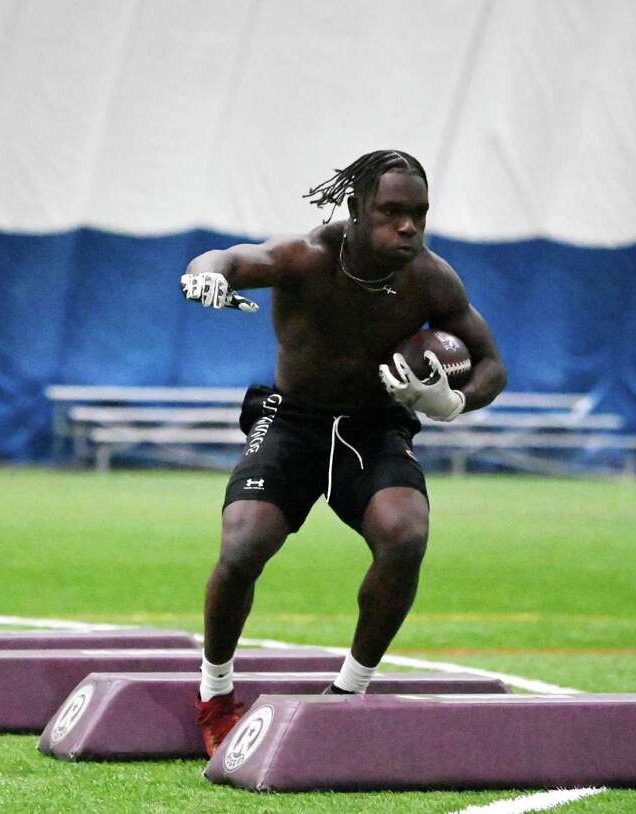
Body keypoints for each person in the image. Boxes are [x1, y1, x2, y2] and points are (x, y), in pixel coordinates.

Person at [180, 149, 506, 754]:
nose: (408, 226)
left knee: (405, 536)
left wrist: (452, 402)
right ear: (356, 208)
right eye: (392, 212)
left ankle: (349, 692)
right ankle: (215, 695)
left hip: (374, 427)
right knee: (243, 546)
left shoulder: (431, 278)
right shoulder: (307, 257)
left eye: (419, 213)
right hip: (293, 421)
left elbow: (491, 364)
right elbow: (231, 258)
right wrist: (208, 274)